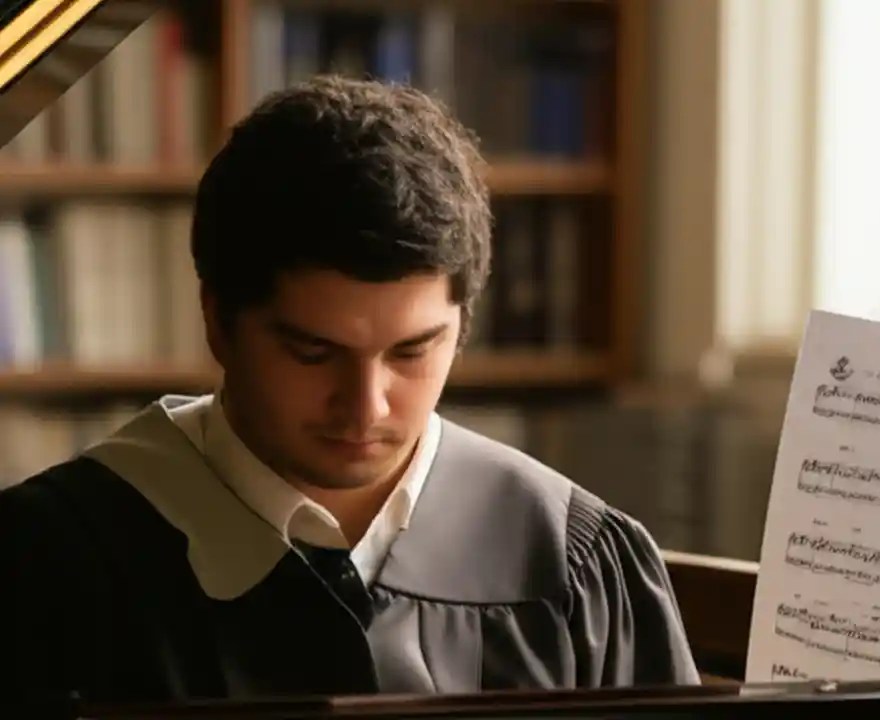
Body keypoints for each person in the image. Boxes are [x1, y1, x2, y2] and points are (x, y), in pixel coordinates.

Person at [0, 75, 699, 709]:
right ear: (218, 322)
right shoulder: (52, 560)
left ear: (464, 324)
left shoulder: (575, 564)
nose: (366, 406)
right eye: (313, 352)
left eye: (412, 350)